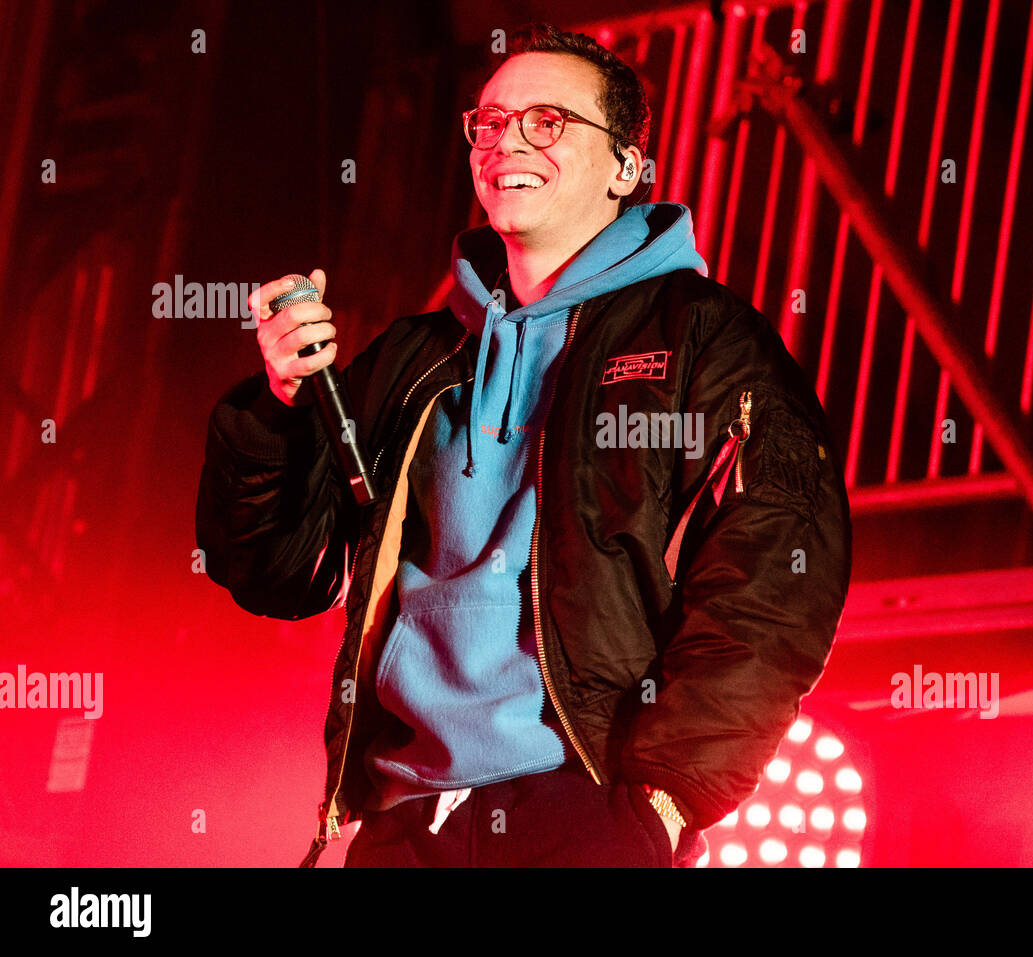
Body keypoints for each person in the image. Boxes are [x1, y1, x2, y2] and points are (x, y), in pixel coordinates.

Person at [195, 22, 851, 868]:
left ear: (625, 167)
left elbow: (778, 579)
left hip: (583, 809)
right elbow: (277, 573)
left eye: (548, 121)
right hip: (403, 822)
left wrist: (665, 798)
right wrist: (282, 407)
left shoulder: (702, 337)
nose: (508, 141)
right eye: (491, 122)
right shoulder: (416, 355)